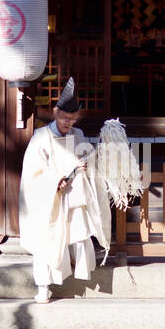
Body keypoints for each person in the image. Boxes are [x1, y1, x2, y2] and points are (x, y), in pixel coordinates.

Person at [18, 78, 110, 303]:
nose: (68, 122)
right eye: (64, 117)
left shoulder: (77, 135)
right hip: (50, 200)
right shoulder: (41, 138)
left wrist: (86, 164)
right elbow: (32, 174)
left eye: (72, 118)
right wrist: (55, 181)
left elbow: (84, 159)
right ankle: (42, 288)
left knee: (77, 237)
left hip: (74, 197)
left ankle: (78, 279)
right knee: (48, 242)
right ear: (55, 111)